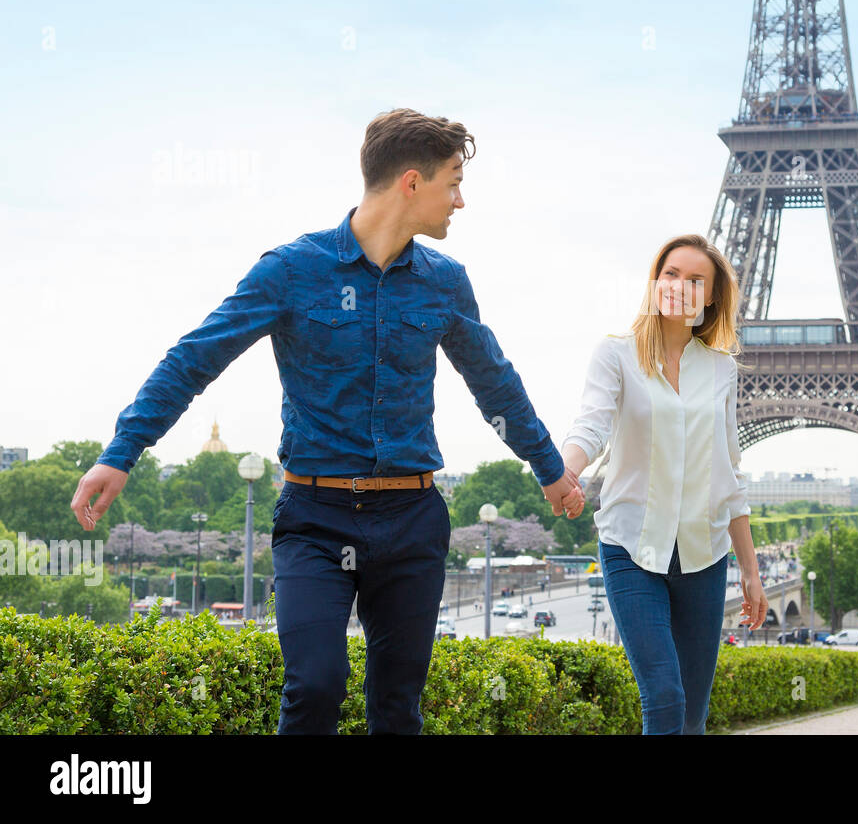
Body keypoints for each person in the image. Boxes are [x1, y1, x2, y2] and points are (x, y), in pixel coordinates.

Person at [67, 108, 584, 734]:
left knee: (397, 708)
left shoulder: (446, 282)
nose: (461, 200)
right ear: (411, 183)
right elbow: (193, 359)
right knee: (316, 684)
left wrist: (550, 470)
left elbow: (495, 383)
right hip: (315, 520)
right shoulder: (291, 270)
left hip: (412, 521)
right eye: (454, 182)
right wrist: (123, 451)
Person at [559, 234, 769, 734]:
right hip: (631, 549)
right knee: (665, 695)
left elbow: (728, 474)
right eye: (670, 273)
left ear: (712, 297)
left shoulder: (720, 370)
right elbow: (589, 426)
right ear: (656, 282)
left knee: (693, 715)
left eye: (695, 279)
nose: (678, 286)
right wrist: (567, 470)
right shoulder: (616, 354)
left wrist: (752, 572)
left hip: (704, 557)